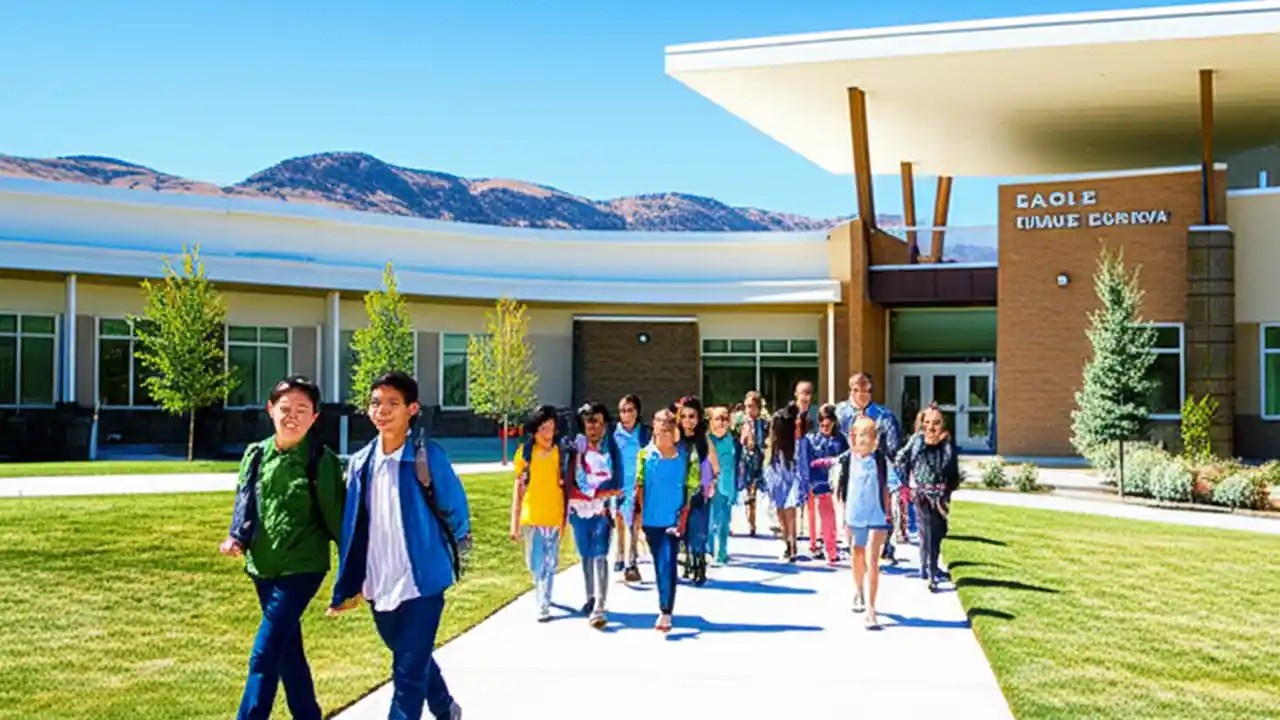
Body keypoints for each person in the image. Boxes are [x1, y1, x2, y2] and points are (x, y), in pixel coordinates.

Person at [327, 372, 471, 720]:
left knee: (406, 674)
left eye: (393, 403)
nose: (383, 410)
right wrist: (350, 583)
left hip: (423, 583)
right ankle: (445, 708)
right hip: (379, 583)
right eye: (376, 403)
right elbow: (353, 528)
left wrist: (453, 553)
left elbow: (456, 509)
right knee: (413, 657)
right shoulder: (361, 464)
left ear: (412, 409)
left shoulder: (427, 457)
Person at [221, 376, 344, 720]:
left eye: (302, 410)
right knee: (288, 651)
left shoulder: (322, 460)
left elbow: (339, 521)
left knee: (265, 652)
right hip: (263, 567)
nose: (293, 416)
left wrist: (353, 577)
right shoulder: (256, 454)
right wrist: (236, 537)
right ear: (270, 409)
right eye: (285, 408)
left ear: (315, 417)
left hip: (302, 569)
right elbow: (245, 501)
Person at [635, 408, 701, 632]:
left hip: (673, 519)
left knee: (668, 562)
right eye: (659, 423)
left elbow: (691, 487)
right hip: (651, 519)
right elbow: (640, 485)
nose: (663, 427)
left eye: (668, 424)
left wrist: (684, 514)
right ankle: (664, 601)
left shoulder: (686, 454)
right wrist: (640, 516)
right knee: (658, 563)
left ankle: (665, 611)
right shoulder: (644, 454)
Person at [833, 416, 898, 629]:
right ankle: (859, 590)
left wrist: (894, 515)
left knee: (873, 560)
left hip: (877, 517)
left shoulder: (882, 462)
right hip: (855, 516)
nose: (859, 439)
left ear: (875, 440)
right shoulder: (846, 460)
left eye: (864, 435)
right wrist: (841, 517)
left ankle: (871, 609)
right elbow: (838, 491)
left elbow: (892, 487)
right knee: (857, 554)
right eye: (856, 435)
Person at [565, 401, 625, 628]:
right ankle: (590, 597)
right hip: (579, 510)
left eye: (598, 422)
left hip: (602, 510)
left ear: (604, 424)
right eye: (589, 422)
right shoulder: (576, 449)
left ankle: (600, 605)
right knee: (586, 554)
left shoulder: (611, 450)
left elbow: (617, 481)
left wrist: (602, 492)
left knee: (600, 554)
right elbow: (571, 478)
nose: (593, 428)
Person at [834, 372, 904, 564]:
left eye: (866, 390)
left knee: (881, 507)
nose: (862, 394)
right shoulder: (839, 414)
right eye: (857, 390)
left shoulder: (884, 416)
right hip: (849, 469)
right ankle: (852, 545)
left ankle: (886, 545)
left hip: (876, 469)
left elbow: (893, 447)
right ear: (851, 390)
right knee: (849, 506)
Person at [508, 405, 566, 622]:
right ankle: (540, 588)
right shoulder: (525, 454)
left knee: (550, 564)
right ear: (535, 430)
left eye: (551, 427)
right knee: (535, 563)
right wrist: (514, 524)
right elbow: (519, 488)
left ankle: (544, 603)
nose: (548, 432)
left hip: (553, 514)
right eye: (543, 427)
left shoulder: (561, 453)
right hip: (532, 515)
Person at [896, 404, 961, 593]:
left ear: (943, 424)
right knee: (927, 532)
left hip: (941, 496)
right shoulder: (917, 440)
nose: (931, 427)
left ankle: (928, 566)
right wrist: (907, 482)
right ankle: (931, 573)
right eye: (927, 423)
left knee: (939, 532)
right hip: (922, 494)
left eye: (936, 423)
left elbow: (951, 470)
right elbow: (901, 458)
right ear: (921, 423)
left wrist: (943, 445)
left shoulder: (947, 443)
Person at [675, 396, 718, 586]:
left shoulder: (704, 440)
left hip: (699, 490)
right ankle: (686, 562)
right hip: (678, 491)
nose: (687, 420)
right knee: (681, 530)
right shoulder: (676, 439)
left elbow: (715, 465)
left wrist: (710, 481)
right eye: (683, 416)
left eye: (691, 416)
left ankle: (698, 565)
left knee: (698, 528)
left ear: (698, 418)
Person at [611, 394, 650, 583]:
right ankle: (619, 551)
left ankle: (632, 559)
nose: (626, 415)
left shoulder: (644, 434)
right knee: (618, 518)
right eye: (622, 411)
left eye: (630, 410)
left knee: (635, 521)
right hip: (618, 483)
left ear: (637, 412)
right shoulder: (613, 433)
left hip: (637, 483)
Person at [764, 404, 810, 562]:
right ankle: (791, 543)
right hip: (787, 478)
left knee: (783, 512)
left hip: (782, 479)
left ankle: (789, 544)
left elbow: (769, 466)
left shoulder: (778, 445)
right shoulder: (790, 444)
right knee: (789, 512)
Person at [804, 404, 849, 566]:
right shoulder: (812, 439)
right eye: (822, 425)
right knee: (812, 516)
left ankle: (831, 551)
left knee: (828, 517)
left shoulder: (841, 440)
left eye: (828, 425)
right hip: (813, 482)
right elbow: (806, 460)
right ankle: (814, 544)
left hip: (830, 485)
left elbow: (847, 457)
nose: (825, 428)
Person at [707, 405, 743, 566]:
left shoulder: (732, 441)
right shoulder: (707, 440)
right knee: (710, 521)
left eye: (725, 419)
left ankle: (722, 552)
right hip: (710, 486)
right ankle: (708, 551)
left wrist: (735, 489)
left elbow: (735, 465)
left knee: (724, 521)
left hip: (727, 487)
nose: (721, 422)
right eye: (717, 418)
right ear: (710, 422)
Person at [734, 391, 769, 536]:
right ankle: (748, 521)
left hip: (758, 459)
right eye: (747, 406)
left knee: (754, 491)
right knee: (745, 491)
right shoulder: (740, 422)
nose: (749, 409)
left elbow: (767, 441)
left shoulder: (764, 423)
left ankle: (753, 521)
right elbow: (736, 441)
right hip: (744, 459)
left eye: (752, 406)